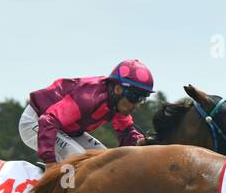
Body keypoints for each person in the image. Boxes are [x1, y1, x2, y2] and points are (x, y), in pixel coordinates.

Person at [19, 60, 153, 165]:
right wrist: (50, 162)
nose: (137, 105)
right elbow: (47, 121)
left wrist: (145, 145)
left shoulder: (116, 104)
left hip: (64, 130)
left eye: (142, 99)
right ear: (118, 89)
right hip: (36, 122)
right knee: (79, 161)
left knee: (104, 161)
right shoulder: (89, 98)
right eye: (135, 97)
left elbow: (127, 136)